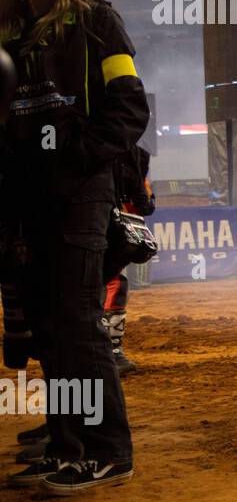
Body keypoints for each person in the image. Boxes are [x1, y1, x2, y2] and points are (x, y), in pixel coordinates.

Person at [0, 0, 148, 493]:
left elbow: (128, 108)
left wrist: (77, 160)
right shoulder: (8, 32)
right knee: (47, 329)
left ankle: (110, 450)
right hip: (23, 198)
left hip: (81, 192)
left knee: (77, 324)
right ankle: (67, 447)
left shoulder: (96, 21)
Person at [101, 143, 155, 374]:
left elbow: (145, 201)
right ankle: (111, 351)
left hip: (85, 225)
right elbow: (145, 202)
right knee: (114, 283)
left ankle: (107, 351)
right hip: (105, 226)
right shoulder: (134, 152)